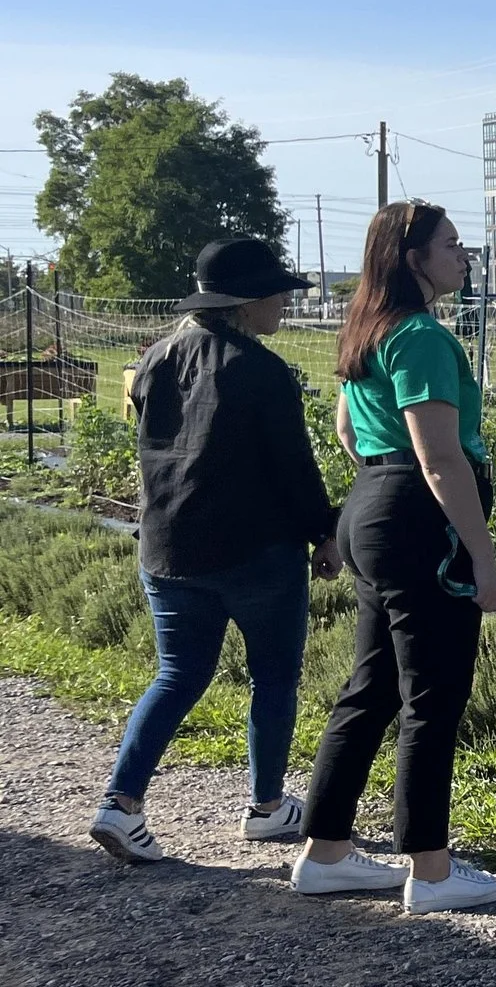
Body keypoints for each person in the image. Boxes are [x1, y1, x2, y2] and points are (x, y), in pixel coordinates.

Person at [89, 238, 342, 865]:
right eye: (280, 291)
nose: (287, 300)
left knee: (177, 675)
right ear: (248, 301)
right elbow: (294, 469)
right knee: (274, 677)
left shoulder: (156, 359)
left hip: (168, 547)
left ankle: (120, 805)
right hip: (256, 550)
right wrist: (324, 533)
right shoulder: (259, 368)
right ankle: (266, 807)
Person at [294, 202, 496, 914]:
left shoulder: (366, 327)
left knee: (373, 687)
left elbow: (348, 433)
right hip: (419, 520)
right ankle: (432, 868)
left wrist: (382, 488)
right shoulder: (419, 335)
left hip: (371, 506)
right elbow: (440, 455)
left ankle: (325, 851)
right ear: (413, 256)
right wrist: (481, 554)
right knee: (434, 695)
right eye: (451, 244)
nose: (463, 254)